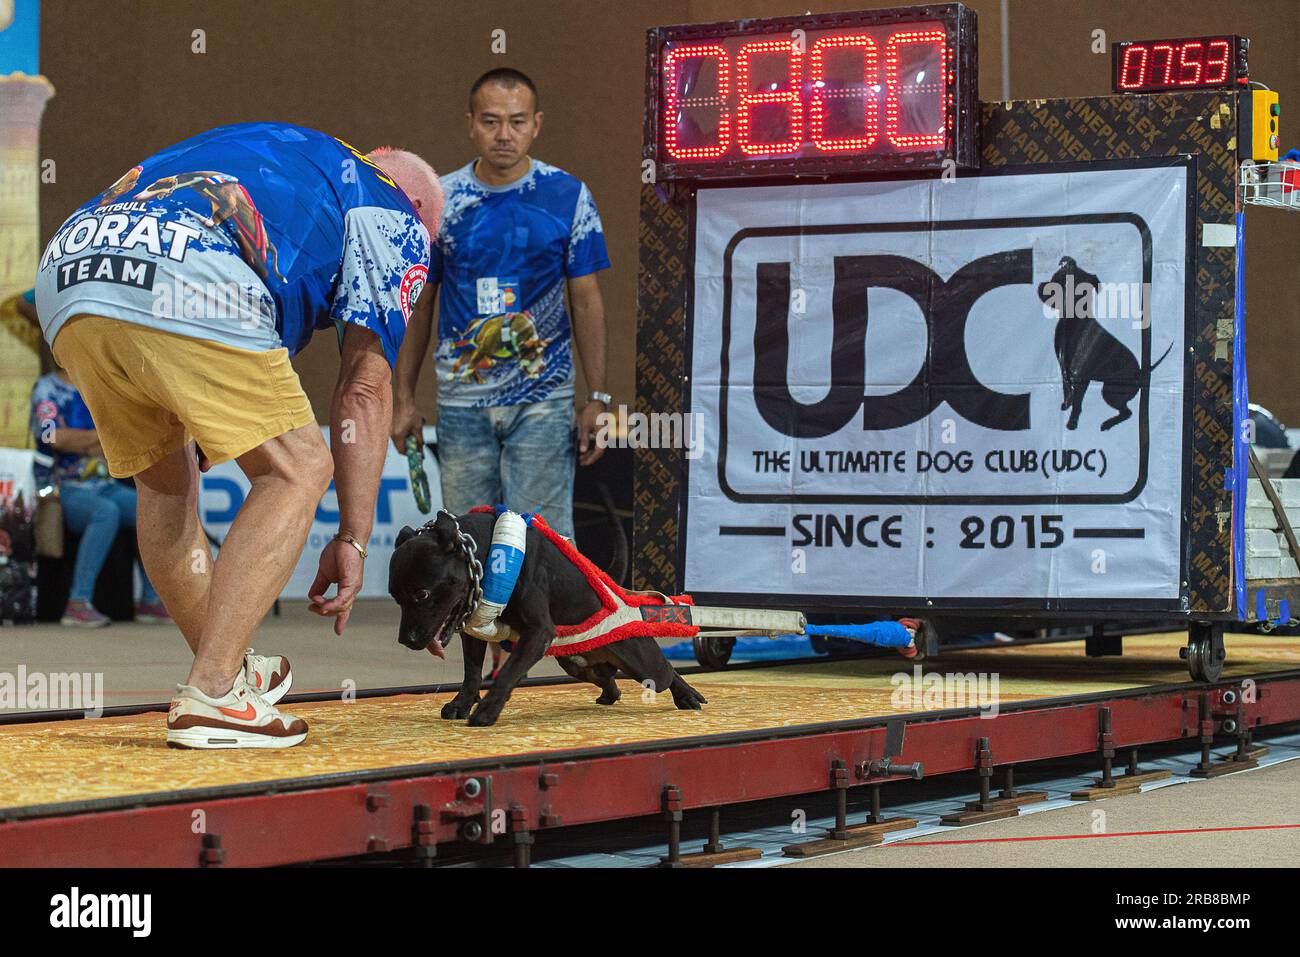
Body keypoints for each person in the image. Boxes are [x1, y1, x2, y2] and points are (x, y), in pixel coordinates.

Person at [36, 122, 441, 748]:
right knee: (297, 467)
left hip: (69, 270)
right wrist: (354, 539)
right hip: (187, 270)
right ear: (416, 206)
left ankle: (228, 668)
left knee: (166, 487)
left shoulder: (299, 157)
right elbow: (364, 387)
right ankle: (214, 692)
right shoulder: (394, 209)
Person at [391, 68, 612, 543]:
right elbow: (420, 304)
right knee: (466, 544)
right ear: (471, 123)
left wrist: (598, 397)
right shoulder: (440, 201)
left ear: (537, 124)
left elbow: (587, 301)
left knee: (542, 545)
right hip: (462, 405)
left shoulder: (568, 196)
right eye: (491, 121)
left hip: (543, 403)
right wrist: (403, 399)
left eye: (517, 121)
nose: (504, 135)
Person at [31, 361, 170, 626]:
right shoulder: (47, 388)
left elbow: (121, 436)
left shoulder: (98, 385)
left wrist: (76, 440)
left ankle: (151, 600)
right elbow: (51, 437)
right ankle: (77, 602)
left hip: (104, 483)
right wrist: (96, 438)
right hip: (63, 487)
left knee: (150, 507)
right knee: (106, 512)